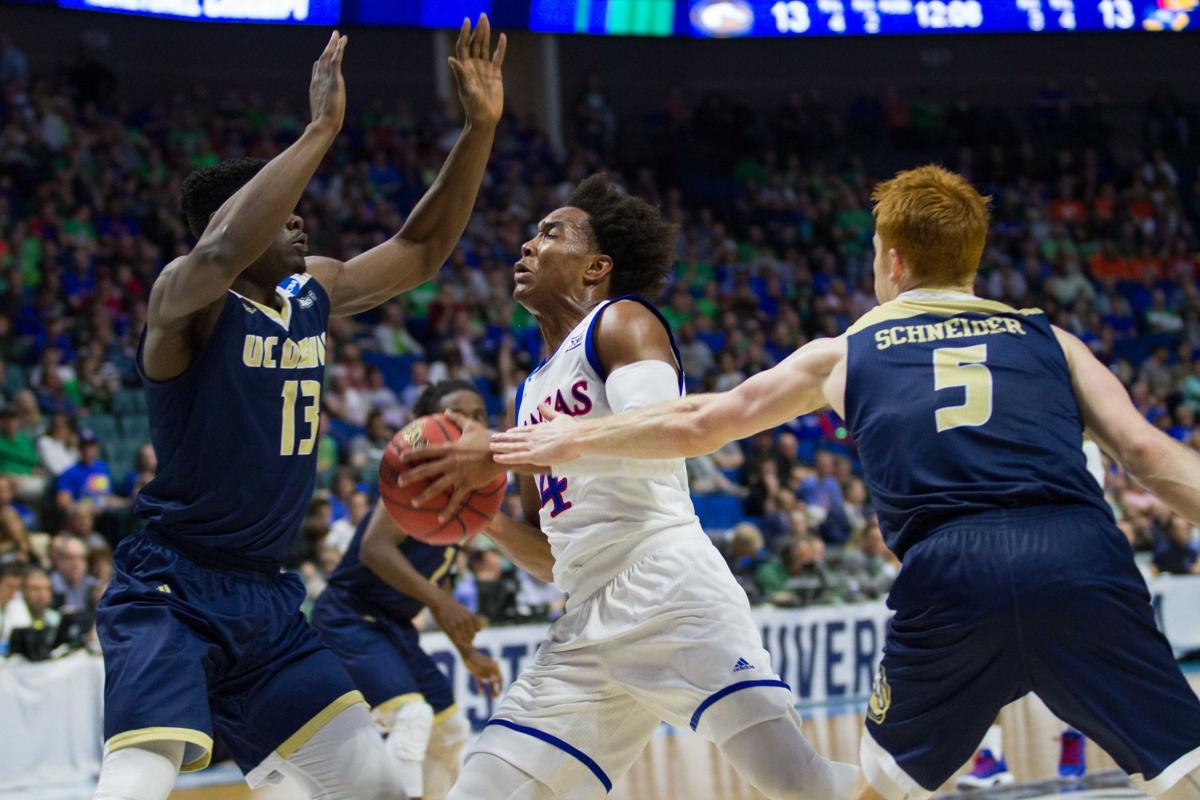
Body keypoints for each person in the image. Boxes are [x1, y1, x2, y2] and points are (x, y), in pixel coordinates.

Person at [489, 164, 1200, 800]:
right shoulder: (1052, 340)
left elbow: (700, 422)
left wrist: (568, 436)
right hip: (1078, 556)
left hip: (950, 570)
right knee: (1184, 771)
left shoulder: (846, 352)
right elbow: (1145, 453)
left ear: (889, 262)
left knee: (872, 792)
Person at [93, 20, 506, 800]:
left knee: (381, 787)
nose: (300, 221)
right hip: (173, 590)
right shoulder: (184, 302)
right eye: (282, 216)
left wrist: (478, 131)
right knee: (134, 787)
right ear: (235, 223)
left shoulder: (307, 293)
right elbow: (218, 254)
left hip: (271, 601)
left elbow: (420, 252)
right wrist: (321, 129)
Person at [402, 174, 856, 800]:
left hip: (667, 585)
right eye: (532, 234)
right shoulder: (531, 390)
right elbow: (551, 558)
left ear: (597, 266)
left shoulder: (621, 321)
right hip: (584, 618)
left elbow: (671, 429)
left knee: (803, 787)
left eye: (550, 233)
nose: (528, 246)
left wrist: (528, 445)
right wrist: (476, 514)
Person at [312, 381, 503, 800]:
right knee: (412, 717)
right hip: (350, 615)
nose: (470, 423)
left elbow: (440, 581)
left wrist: (466, 651)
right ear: (430, 424)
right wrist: (440, 601)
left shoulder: (471, 495)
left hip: (394, 625)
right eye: (457, 414)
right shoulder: (413, 478)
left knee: (450, 732)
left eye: (478, 415)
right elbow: (373, 549)